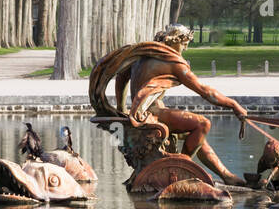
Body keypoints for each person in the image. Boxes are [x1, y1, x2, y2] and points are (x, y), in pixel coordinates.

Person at [92, 24, 248, 186]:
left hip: (145, 111)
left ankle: (226, 175)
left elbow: (121, 77)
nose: (185, 48)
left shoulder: (143, 54)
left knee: (197, 137)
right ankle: (182, 167)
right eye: (185, 43)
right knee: (202, 124)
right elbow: (205, 91)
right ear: (175, 41)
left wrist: (121, 107)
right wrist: (234, 105)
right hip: (151, 113)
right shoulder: (173, 62)